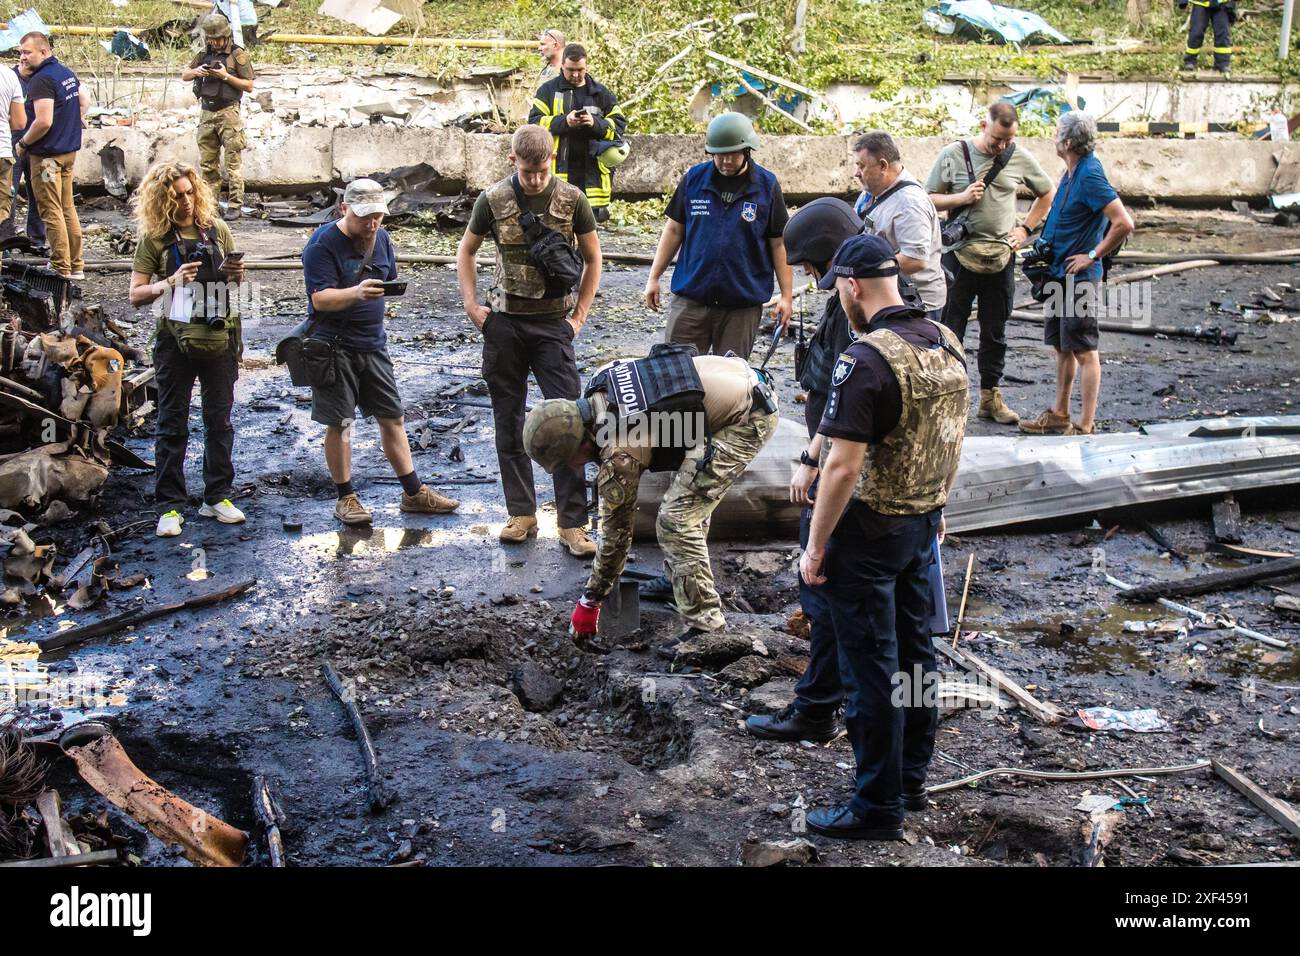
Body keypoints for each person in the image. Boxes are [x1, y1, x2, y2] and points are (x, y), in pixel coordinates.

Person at [798, 234, 968, 840]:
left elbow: (841, 468)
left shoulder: (865, 359)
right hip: (921, 524)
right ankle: (912, 780)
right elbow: (948, 433)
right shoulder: (946, 340)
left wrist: (816, 547)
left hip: (868, 532)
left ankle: (876, 806)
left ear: (851, 286)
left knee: (870, 667)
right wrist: (938, 499)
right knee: (917, 658)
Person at [523, 350, 779, 651]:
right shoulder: (599, 383)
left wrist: (590, 600)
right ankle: (678, 582)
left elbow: (617, 535)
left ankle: (706, 627)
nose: (576, 467)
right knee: (688, 495)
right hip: (725, 382)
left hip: (746, 417)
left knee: (677, 519)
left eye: (570, 460)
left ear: (579, 443)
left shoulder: (619, 452)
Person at [744, 197, 861, 744]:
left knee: (820, 582)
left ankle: (817, 709)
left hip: (837, 468)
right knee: (834, 592)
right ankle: (837, 700)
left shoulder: (854, 310)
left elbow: (845, 403)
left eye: (812, 267)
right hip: (835, 457)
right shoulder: (860, 302)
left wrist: (815, 460)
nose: (813, 278)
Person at [456, 124, 600, 557]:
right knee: (509, 421)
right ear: (512, 161)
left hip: (553, 325)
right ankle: (522, 513)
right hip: (505, 324)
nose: (535, 179)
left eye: (542, 171)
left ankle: (573, 524)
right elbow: (466, 250)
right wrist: (471, 305)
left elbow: (593, 259)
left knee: (570, 423)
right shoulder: (493, 199)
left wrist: (579, 316)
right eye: (527, 171)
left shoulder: (573, 199)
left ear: (551, 161)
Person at [301, 178, 460, 525]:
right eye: (364, 217)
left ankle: (413, 492)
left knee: (394, 417)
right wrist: (356, 293)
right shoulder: (321, 244)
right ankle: (345, 497)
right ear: (344, 210)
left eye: (378, 217)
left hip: (373, 344)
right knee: (341, 423)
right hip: (333, 347)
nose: (372, 224)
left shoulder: (382, 239)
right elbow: (319, 299)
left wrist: (378, 294)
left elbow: (388, 280)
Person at [128, 162, 247, 537]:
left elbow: (235, 286)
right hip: (174, 340)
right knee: (172, 422)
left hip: (218, 335)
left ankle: (217, 496)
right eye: (176, 195)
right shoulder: (155, 238)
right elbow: (135, 295)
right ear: (162, 199)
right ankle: (170, 506)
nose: (186, 201)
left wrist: (235, 275)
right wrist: (170, 281)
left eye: (190, 192)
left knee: (219, 420)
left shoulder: (217, 230)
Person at [926, 101, 1054, 426]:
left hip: (1001, 258)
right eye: (997, 139)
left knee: (995, 330)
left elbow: (1047, 192)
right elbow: (926, 198)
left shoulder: (1018, 156)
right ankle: (949, 400)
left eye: (1008, 140)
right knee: (951, 329)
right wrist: (961, 198)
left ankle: (990, 398)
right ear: (985, 125)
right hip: (958, 255)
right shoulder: (953, 155)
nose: (1002, 146)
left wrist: (1025, 229)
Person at [1018, 112, 1134, 437]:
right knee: (1062, 346)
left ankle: (1085, 425)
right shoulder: (1070, 173)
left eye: (1057, 134)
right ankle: (1060, 413)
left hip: (1078, 277)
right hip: (1057, 274)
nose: (1054, 138)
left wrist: (1093, 254)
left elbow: (1124, 223)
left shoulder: (1090, 175)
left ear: (1067, 142)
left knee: (1084, 349)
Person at [644, 112, 793, 360]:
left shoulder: (766, 186)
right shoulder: (694, 179)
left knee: (730, 381)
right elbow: (673, 229)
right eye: (719, 154)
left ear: (747, 151)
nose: (725, 161)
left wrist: (787, 296)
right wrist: (654, 277)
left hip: (740, 306)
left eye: (732, 154)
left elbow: (778, 243)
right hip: (692, 299)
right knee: (676, 374)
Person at [852, 131, 946, 322]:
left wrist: (865, 268)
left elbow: (915, 260)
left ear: (883, 166)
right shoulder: (871, 193)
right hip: (889, 297)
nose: (857, 173)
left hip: (917, 306)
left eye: (861, 166)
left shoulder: (910, 203)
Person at [527, 43, 626, 223]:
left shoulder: (600, 93)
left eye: (580, 70)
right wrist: (564, 121)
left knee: (589, 236)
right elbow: (534, 123)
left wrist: (595, 123)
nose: (575, 74)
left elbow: (619, 126)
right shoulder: (547, 91)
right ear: (562, 66)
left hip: (592, 177)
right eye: (570, 70)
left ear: (586, 67)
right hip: (559, 173)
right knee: (557, 231)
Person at [15, 31, 83, 278]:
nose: (22, 57)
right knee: (67, 208)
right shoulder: (65, 73)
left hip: (47, 158)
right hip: (67, 151)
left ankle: (61, 267)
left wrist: (23, 143)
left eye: (27, 52)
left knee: (51, 211)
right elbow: (83, 101)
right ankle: (76, 265)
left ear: (43, 51)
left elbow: (43, 121)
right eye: (20, 52)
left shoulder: (42, 80)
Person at [180, 15, 254, 220]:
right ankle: (210, 205)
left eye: (217, 39)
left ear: (226, 35)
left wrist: (225, 76)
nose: (214, 42)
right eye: (211, 38)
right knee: (208, 163)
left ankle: (235, 204)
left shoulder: (238, 54)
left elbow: (248, 85)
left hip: (228, 112)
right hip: (207, 112)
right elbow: (184, 74)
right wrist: (197, 71)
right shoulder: (204, 53)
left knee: (233, 162)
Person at [5, 62, 47, 254]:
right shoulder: (9, 76)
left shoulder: (46, 77)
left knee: (35, 193)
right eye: (22, 54)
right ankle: (6, 243)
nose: (24, 59)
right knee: (7, 196)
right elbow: (19, 122)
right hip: (10, 143)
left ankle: (33, 240)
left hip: (32, 142)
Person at [1179, 0, 1235, 75]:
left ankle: (1223, 63)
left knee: (1223, 33)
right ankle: (1190, 61)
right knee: (1196, 32)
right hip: (1200, 2)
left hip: (1222, 3)